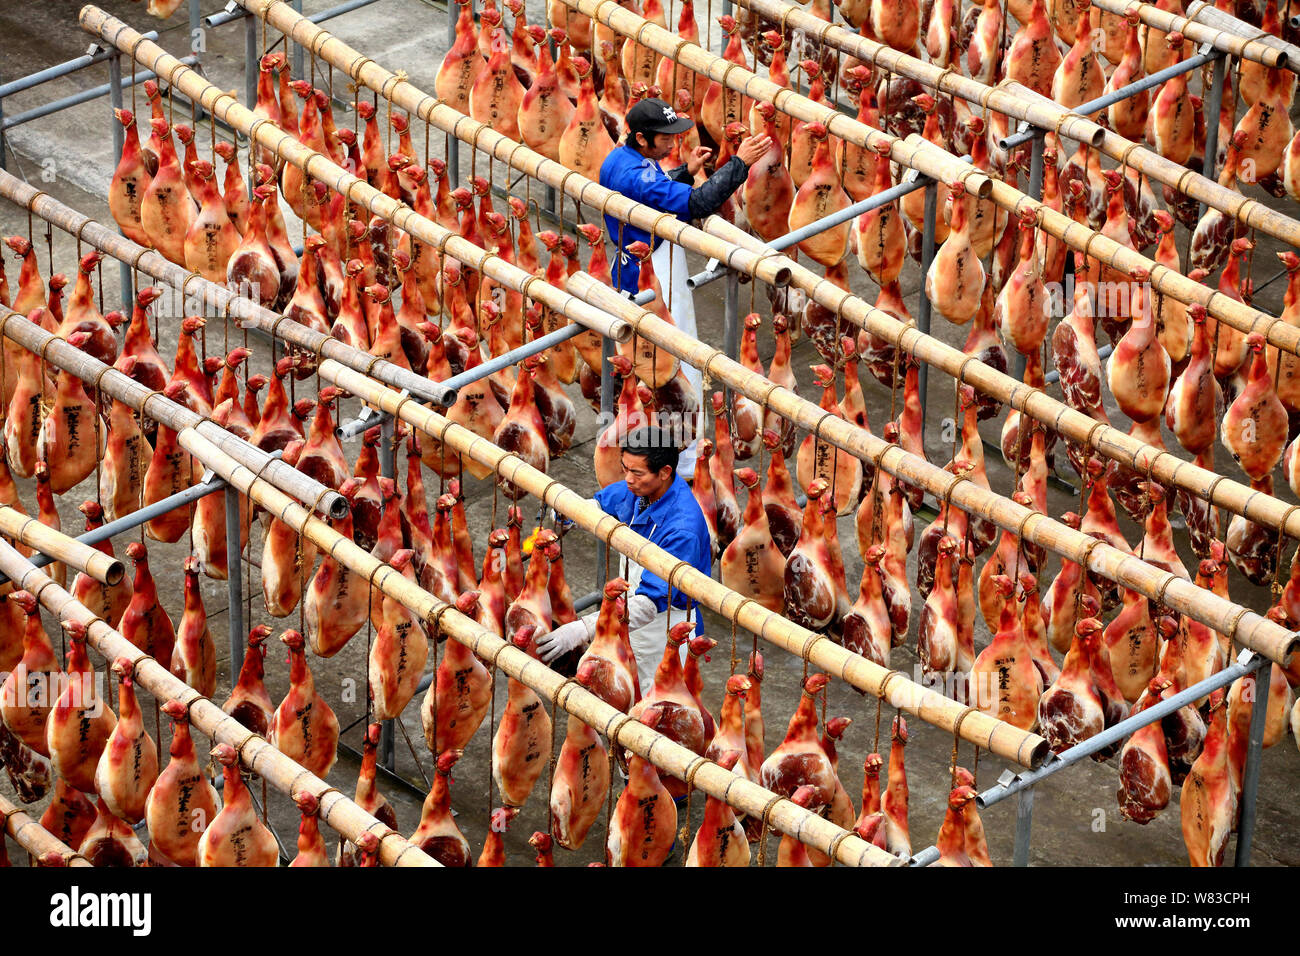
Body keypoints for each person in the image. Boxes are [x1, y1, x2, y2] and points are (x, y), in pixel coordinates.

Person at [599, 97, 770, 478]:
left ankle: (666, 456)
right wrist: (739, 163)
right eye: (665, 138)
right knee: (675, 362)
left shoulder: (620, 159)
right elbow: (698, 203)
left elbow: (651, 189)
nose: (672, 144)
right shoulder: (633, 174)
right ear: (642, 139)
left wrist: (685, 170)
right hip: (654, 265)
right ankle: (686, 463)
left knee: (654, 366)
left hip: (634, 261)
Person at [536, 425, 712, 694]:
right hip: (626, 611)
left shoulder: (682, 529)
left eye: (636, 472)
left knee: (648, 707)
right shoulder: (640, 490)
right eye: (625, 469)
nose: (628, 479)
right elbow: (602, 504)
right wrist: (570, 513)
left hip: (661, 628)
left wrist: (582, 629)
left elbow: (650, 603)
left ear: (665, 472)